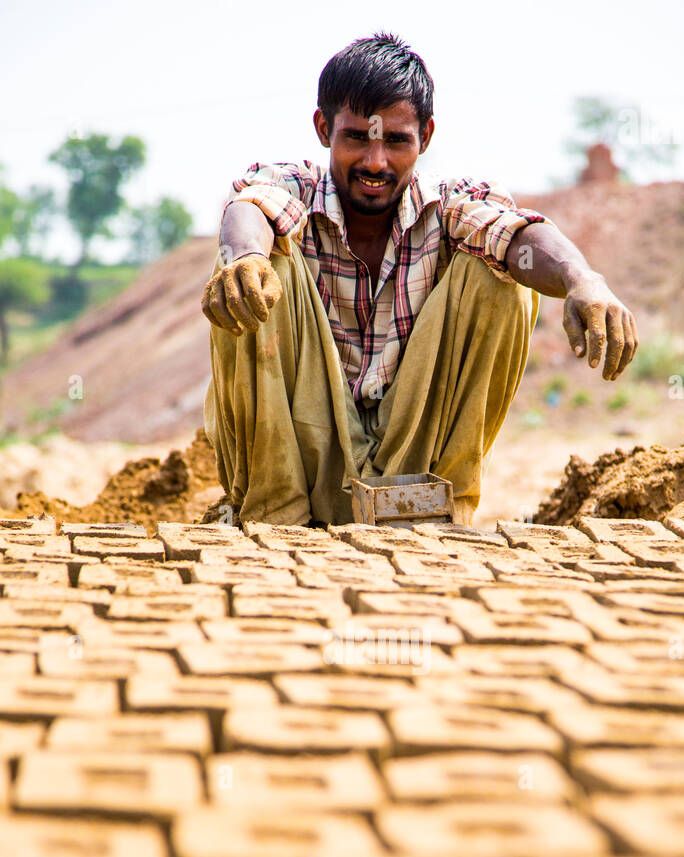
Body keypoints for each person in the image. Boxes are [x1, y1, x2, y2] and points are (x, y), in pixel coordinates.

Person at [201, 32, 638, 526]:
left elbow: (515, 236)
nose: (375, 162)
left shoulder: (449, 204)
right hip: (302, 467)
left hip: (414, 476)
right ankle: (271, 513)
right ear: (324, 128)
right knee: (252, 271)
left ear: (424, 138)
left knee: (497, 276)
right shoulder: (293, 187)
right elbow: (252, 206)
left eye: (396, 140)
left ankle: (440, 510)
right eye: (356, 138)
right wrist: (245, 257)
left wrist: (584, 280)